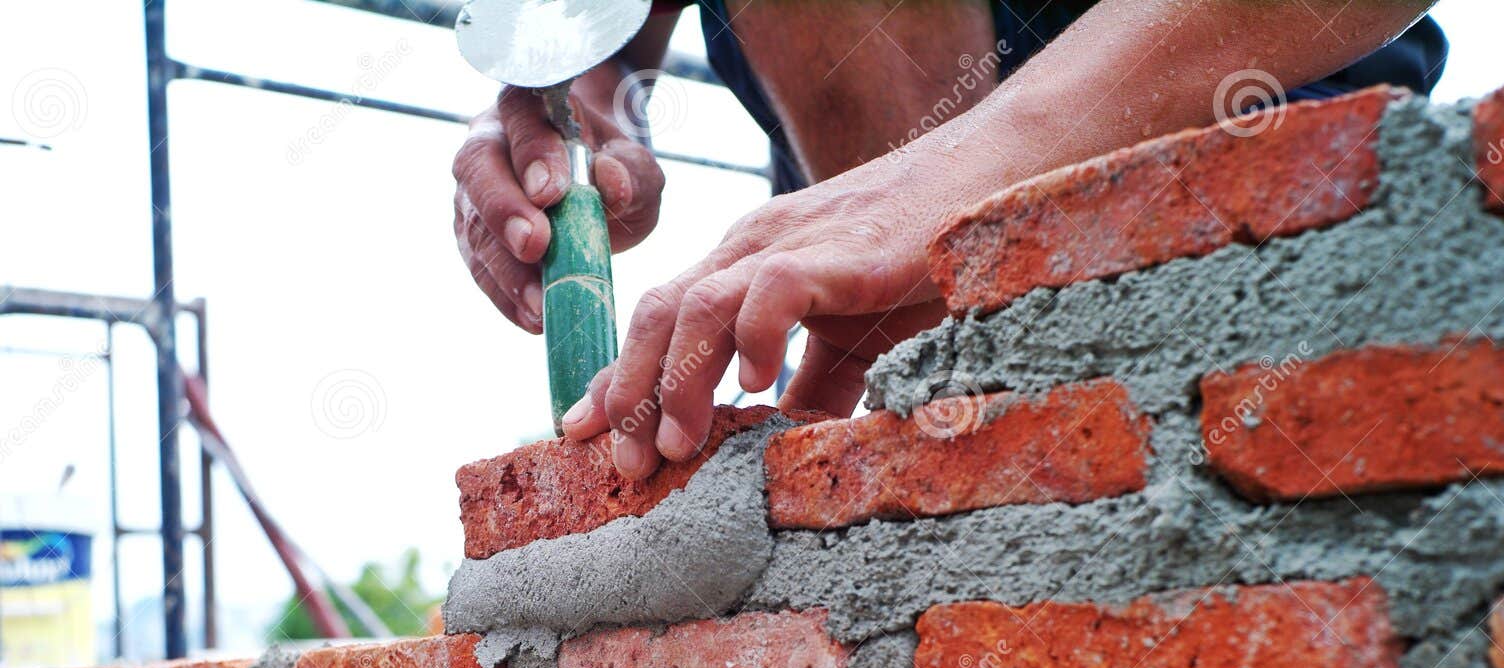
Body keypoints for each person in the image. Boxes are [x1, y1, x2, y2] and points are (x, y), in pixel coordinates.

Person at [452, 1, 1446, 480]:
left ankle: (981, 471)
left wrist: (967, 173)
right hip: (883, 238)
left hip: (1244, 140)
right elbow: (600, 37)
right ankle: (924, 501)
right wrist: (588, 107)